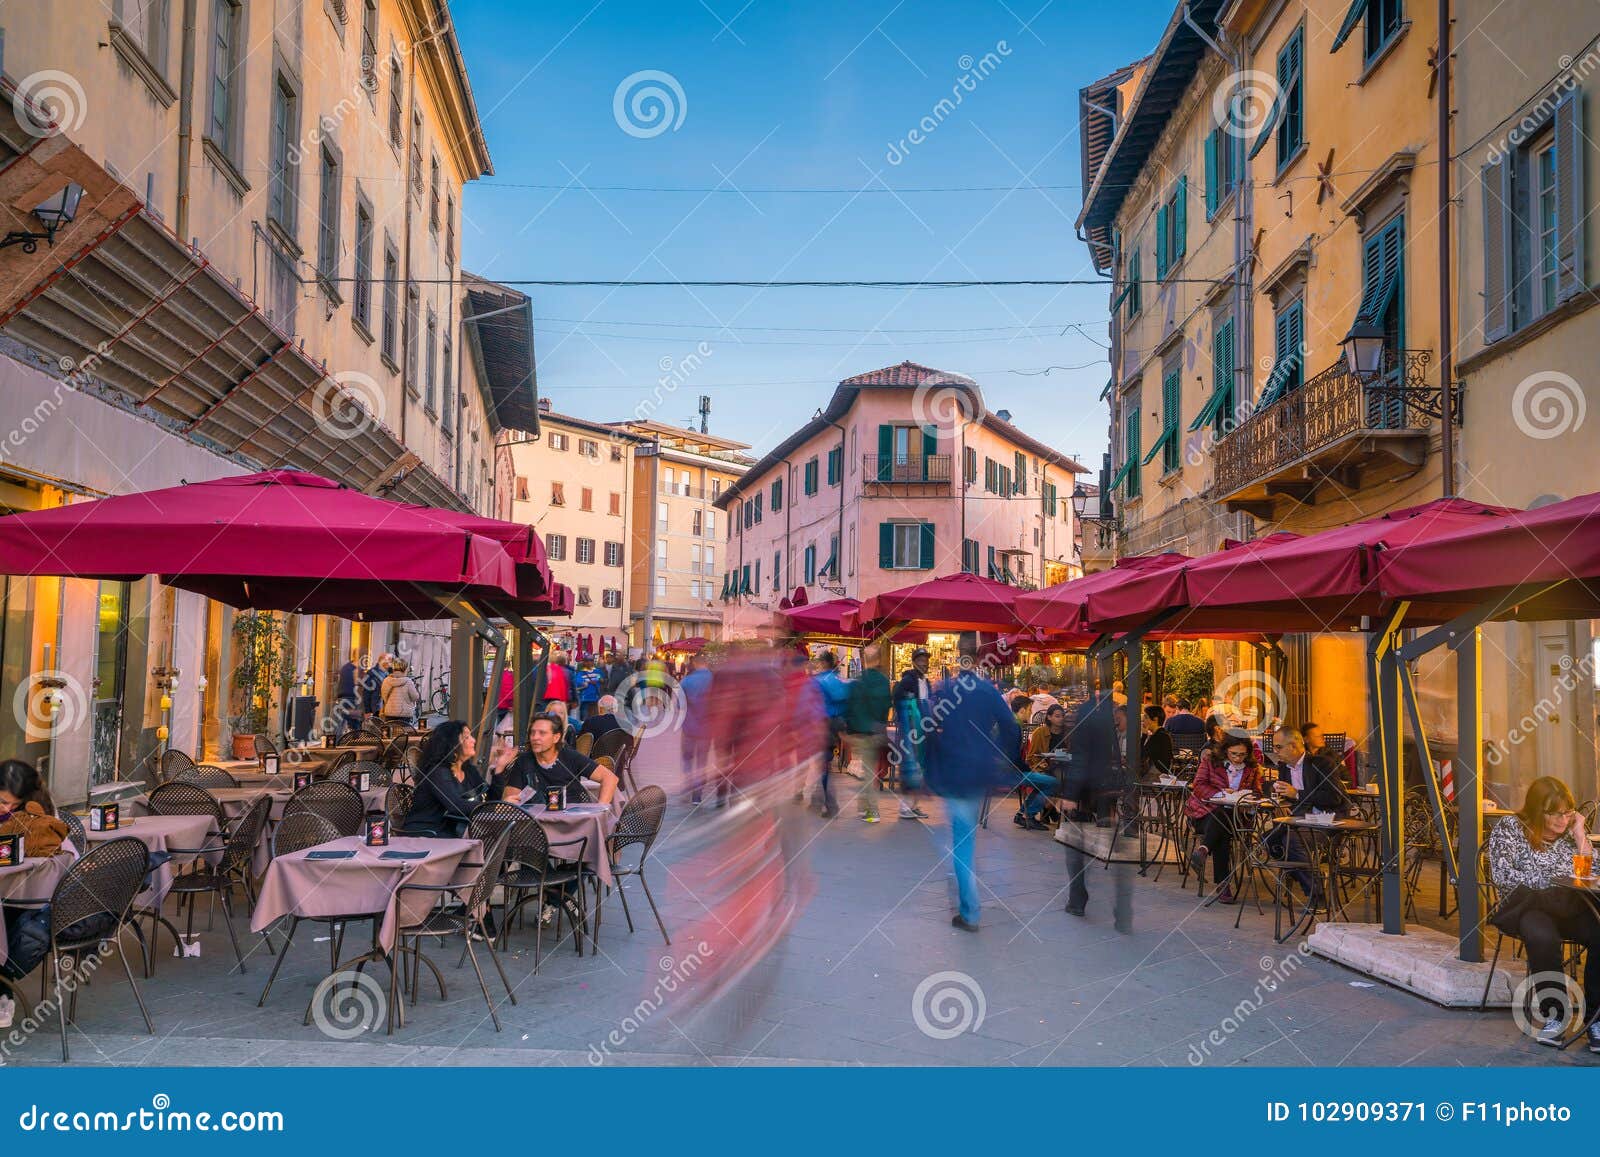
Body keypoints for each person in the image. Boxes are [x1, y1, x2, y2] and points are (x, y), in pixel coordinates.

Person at [1487, 776, 1600, 1050]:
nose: (1563, 820)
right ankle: (1555, 1016)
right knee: (1543, 938)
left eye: (1568, 812)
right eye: (1555, 813)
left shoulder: (1569, 837)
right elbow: (1503, 875)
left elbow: (1592, 875)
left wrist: (1580, 834)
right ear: (1538, 810)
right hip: (1529, 905)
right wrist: (1552, 881)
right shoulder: (1511, 828)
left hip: (1569, 906)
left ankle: (1596, 1018)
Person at [924, 632, 1020, 931]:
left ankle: (970, 910)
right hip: (979, 772)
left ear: (957, 654)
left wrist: (930, 768)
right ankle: (968, 903)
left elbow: (928, 729)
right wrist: (1001, 757)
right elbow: (1011, 727)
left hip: (953, 772)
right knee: (965, 838)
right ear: (979, 656)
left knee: (961, 843)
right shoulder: (988, 692)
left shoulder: (945, 689)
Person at [1059, 689, 1133, 932]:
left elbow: (1079, 758)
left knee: (1076, 844)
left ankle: (1077, 899)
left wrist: (1070, 794)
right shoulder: (1110, 722)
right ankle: (1123, 909)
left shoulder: (1087, 716)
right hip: (1109, 789)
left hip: (1088, 790)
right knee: (1115, 847)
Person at [1262, 726, 1350, 901]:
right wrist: (1279, 796)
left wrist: (1297, 794)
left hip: (1327, 821)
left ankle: (1317, 896)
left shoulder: (1321, 764)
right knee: (1266, 841)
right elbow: (1287, 795)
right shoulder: (1284, 767)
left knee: (1291, 841)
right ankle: (1307, 873)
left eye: (1278, 747)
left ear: (1294, 746)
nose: (1274, 751)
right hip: (1300, 820)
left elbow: (1334, 798)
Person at [1184, 735, 1262, 903]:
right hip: (1204, 814)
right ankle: (1223, 885)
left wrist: (1246, 796)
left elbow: (1257, 792)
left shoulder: (1252, 768)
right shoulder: (1210, 761)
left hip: (1236, 817)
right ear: (1225, 750)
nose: (1237, 758)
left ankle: (1204, 850)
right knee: (1221, 819)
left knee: (1222, 822)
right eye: (1233, 753)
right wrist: (1222, 794)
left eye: (1242, 754)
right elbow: (1198, 785)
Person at [499, 711, 618, 805]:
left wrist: (601, 808)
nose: (535, 737)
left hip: (572, 824)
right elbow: (510, 800)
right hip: (535, 827)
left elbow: (610, 778)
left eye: (542, 733)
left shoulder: (570, 756)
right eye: (532, 733)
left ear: (556, 737)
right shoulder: (524, 761)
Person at [401, 721, 494, 838]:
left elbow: (490, 796)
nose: (473, 740)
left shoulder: (469, 770)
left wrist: (498, 770)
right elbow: (455, 806)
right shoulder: (437, 772)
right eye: (467, 737)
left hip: (454, 830)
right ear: (452, 744)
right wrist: (492, 807)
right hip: (426, 833)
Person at [844, 644, 892, 823]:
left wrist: (849, 730)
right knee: (869, 769)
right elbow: (887, 704)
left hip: (862, 732)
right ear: (879, 659)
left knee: (868, 770)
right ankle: (863, 806)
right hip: (876, 730)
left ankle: (871, 810)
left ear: (865, 660)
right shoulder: (883, 680)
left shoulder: (858, 681)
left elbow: (852, 706)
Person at [892, 647, 934, 821]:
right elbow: (897, 699)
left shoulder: (926, 682)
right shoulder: (907, 680)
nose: (925, 663)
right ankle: (904, 806)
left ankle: (914, 805)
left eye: (926, 660)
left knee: (920, 767)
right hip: (911, 730)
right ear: (914, 661)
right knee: (909, 767)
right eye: (921, 660)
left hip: (923, 730)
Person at [1017, 704, 1070, 830]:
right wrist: (1044, 766)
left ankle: (1031, 813)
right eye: (1057, 716)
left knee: (1065, 779)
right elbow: (1031, 757)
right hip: (1042, 767)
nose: (1061, 719)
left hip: (1062, 767)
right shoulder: (1039, 733)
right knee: (1054, 782)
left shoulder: (1067, 733)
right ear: (1049, 717)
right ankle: (1037, 812)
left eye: (1062, 716)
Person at [811, 651, 850, 818]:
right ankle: (816, 801)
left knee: (822, 764)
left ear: (824, 663)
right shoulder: (839, 680)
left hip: (821, 724)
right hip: (836, 724)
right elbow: (844, 698)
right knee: (823, 762)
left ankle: (830, 804)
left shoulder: (819, 681)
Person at [679, 654, 715, 805]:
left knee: (688, 759)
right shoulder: (714, 680)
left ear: (694, 664)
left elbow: (679, 705)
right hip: (706, 729)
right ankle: (697, 794)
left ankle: (689, 783)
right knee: (702, 761)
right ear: (706, 663)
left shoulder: (686, 681)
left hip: (688, 727)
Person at [380, 658, 419, 725]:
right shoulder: (408, 682)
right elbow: (415, 697)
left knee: (390, 733)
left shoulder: (386, 681)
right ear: (405, 668)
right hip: (404, 714)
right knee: (403, 733)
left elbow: (383, 696)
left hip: (389, 713)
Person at [1141, 704, 1174, 777]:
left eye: (1146, 717)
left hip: (1156, 775)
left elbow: (1142, 755)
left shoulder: (1159, 736)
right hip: (1157, 773)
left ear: (1155, 719)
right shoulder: (1161, 734)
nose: (1143, 720)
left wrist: (1144, 736)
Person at [336, 651, 361, 731]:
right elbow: (356, 684)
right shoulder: (353, 669)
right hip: (350, 698)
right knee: (353, 724)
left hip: (343, 698)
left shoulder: (345, 667)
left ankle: (337, 741)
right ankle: (353, 741)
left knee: (341, 723)